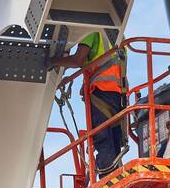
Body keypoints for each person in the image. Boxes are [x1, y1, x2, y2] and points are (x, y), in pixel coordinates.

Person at [51, 30, 128, 175]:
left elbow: (78, 60)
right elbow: (104, 63)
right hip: (119, 93)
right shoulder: (117, 35)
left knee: (103, 136)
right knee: (115, 136)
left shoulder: (92, 31)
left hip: (101, 91)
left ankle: (108, 178)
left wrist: (52, 61)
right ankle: (115, 175)